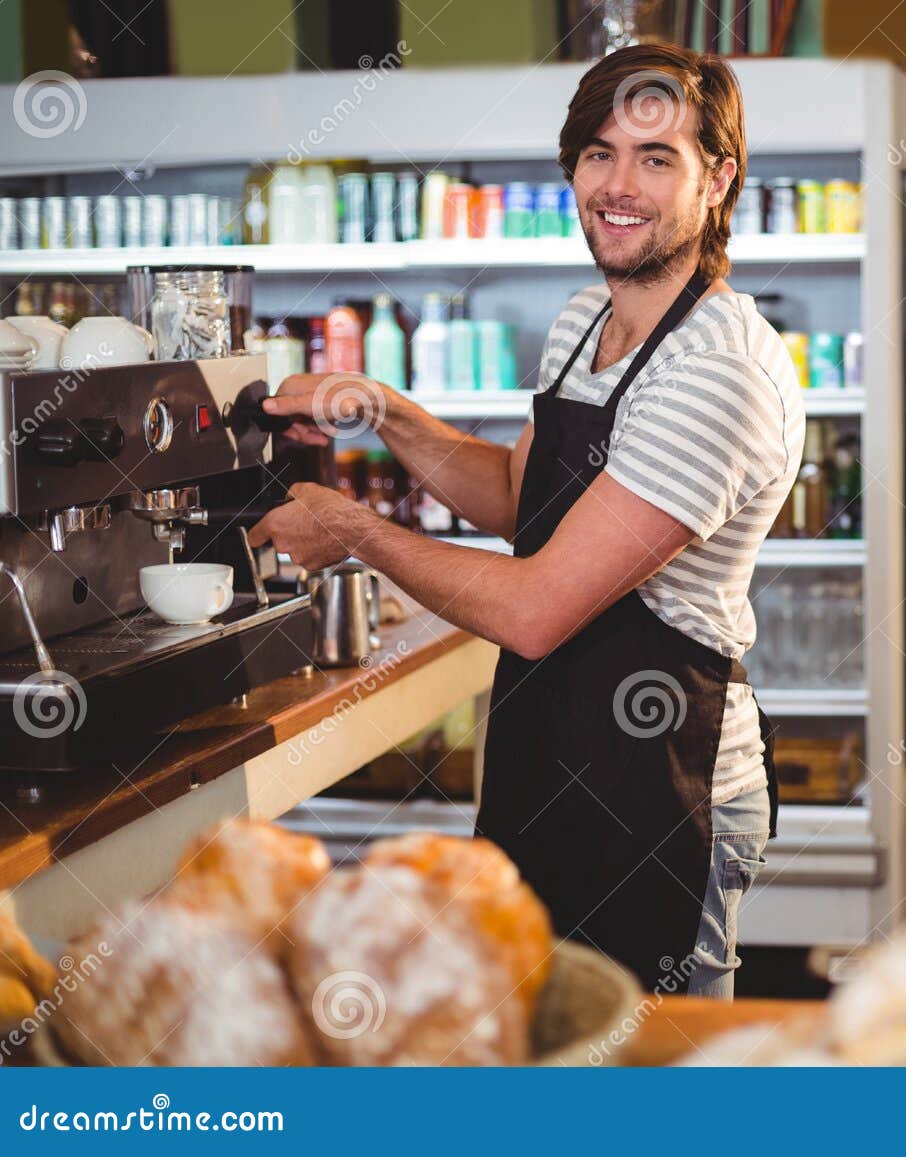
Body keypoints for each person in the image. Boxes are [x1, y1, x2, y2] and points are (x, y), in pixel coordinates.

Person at [251, 44, 804, 997]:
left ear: (719, 180)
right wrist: (378, 406)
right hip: (548, 765)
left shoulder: (719, 370)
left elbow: (540, 606)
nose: (617, 185)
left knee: (644, 1090)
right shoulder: (587, 317)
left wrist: (355, 533)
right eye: (597, 154)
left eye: (655, 158)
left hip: (663, 788)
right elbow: (520, 500)